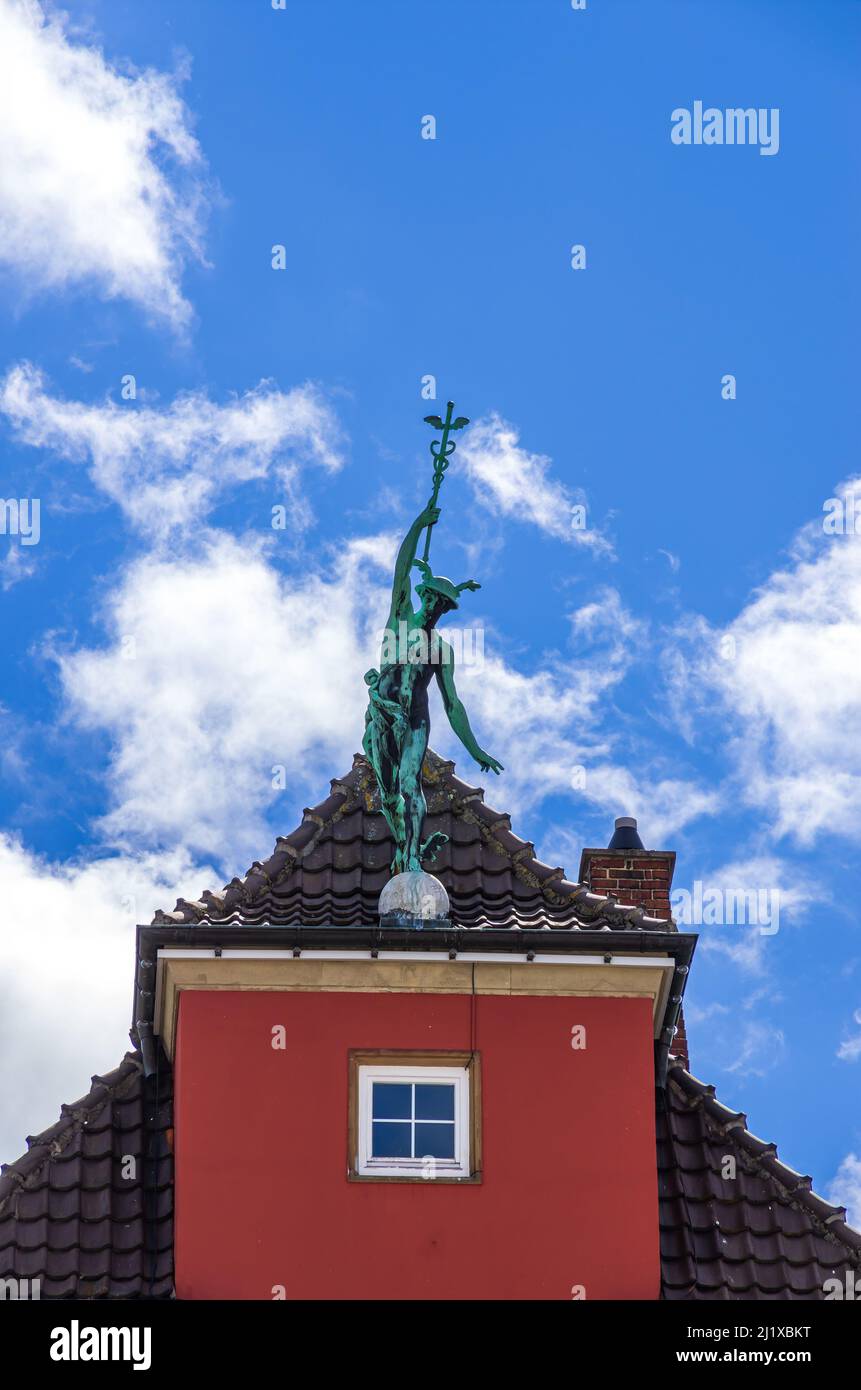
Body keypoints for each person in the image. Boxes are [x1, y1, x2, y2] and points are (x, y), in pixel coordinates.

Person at [363, 503, 503, 873]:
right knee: (389, 794)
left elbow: (453, 704)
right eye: (432, 599)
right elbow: (400, 569)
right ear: (424, 597)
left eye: (441, 605)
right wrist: (418, 524)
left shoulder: (441, 650)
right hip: (384, 711)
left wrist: (475, 750)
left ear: (445, 609)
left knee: (409, 782)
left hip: (415, 720)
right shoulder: (400, 619)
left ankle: (410, 857)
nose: (434, 607)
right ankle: (405, 846)